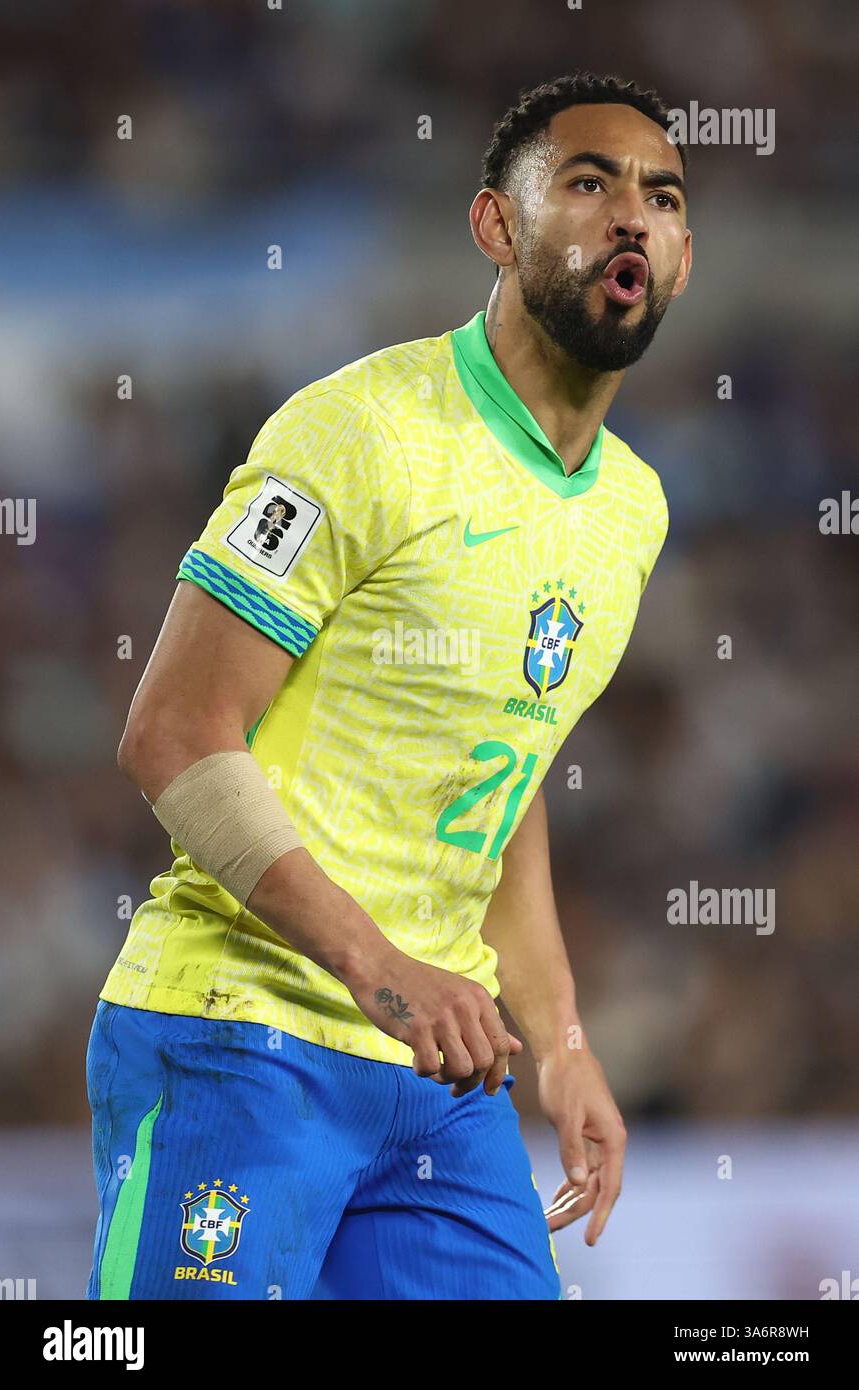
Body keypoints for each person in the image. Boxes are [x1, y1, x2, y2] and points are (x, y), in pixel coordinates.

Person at [86, 71, 691, 1301]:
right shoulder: (352, 431)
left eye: (661, 197)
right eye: (587, 182)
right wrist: (380, 967)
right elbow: (173, 734)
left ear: (682, 259)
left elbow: (502, 780)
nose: (630, 214)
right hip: (238, 1034)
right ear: (494, 227)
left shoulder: (631, 511)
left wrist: (564, 1042)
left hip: (438, 1081)